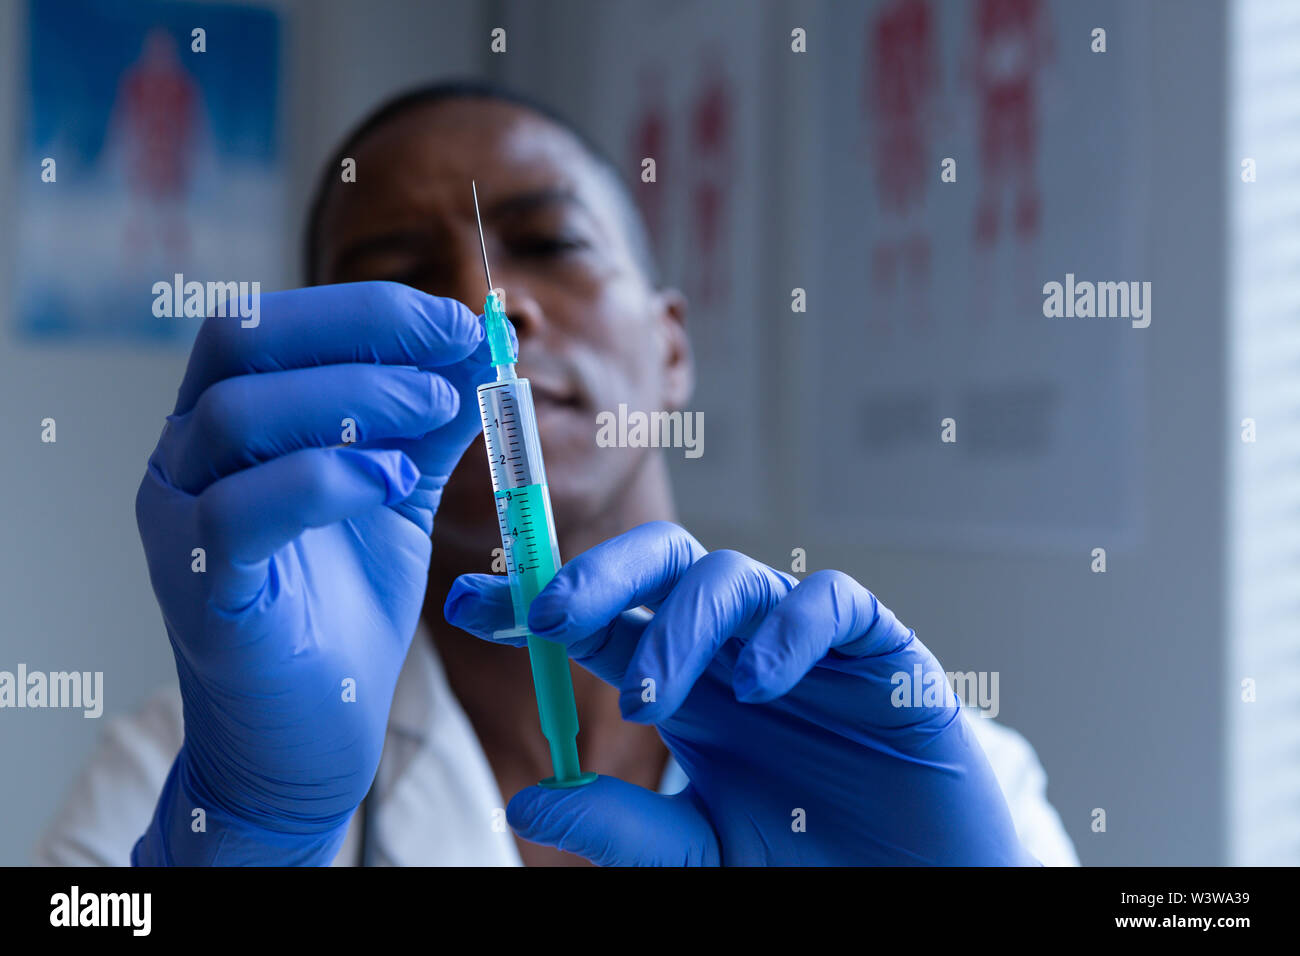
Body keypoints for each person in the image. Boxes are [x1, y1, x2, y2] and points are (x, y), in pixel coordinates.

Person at [36, 79, 1078, 867]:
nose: (489, 298)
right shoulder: (196, 763)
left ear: (671, 349)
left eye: (549, 241)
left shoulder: (906, 769)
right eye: (395, 272)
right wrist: (246, 840)